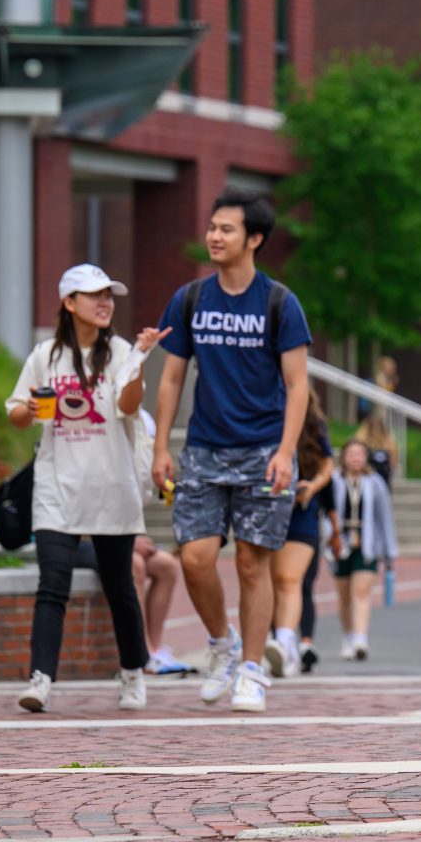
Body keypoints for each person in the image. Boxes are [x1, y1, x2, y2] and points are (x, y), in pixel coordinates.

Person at [150, 188, 313, 715]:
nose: (214, 237)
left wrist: (287, 452)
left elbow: (298, 387)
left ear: (254, 239)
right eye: (212, 227)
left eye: (226, 229)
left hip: (264, 449)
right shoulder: (191, 298)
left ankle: (252, 670)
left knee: (251, 563)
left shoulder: (279, 303)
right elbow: (172, 378)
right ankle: (223, 646)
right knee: (196, 558)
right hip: (202, 449)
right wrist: (161, 447)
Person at [6, 264, 165, 713]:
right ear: (69, 303)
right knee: (51, 584)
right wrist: (32, 409)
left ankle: (133, 673)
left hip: (110, 488)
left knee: (120, 587)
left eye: (109, 295)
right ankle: (40, 680)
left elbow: (129, 407)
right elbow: (18, 413)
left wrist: (139, 361)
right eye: (93, 295)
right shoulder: (45, 355)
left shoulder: (120, 352)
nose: (105, 302)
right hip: (57, 488)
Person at [265, 405, 335, 678]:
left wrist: (312, 487)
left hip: (302, 511)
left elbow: (327, 463)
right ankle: (277, 642)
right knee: (270, 581)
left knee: (289, 579)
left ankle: (285, 644)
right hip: (267, 506)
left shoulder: (313, 420)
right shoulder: (263, 408)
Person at [328, 436, 398, 659]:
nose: (356, 458)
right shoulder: (334, 480)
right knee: (344, 594)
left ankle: (360, 639)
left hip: (368, 542)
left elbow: (384, 516)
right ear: (344, 458)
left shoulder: (375, 482)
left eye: (360, 454)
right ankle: (348, 636)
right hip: (340, 542)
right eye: (351, 454)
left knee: (361, 590)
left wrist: (389, 550)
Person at [132, 536, 191, 674]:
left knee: (166, 564)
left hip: (115, 539)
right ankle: (144, 651)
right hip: (82, 544)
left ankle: (156, 649)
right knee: (135, 563)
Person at [358, 406, 400, 485]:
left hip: (376, 478)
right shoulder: (388, 442)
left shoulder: (388, 442)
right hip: (372, 478)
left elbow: (393, 461)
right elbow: (393, 462)